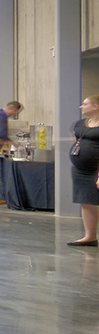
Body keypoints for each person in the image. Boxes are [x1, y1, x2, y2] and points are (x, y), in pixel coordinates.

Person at [68, 97, 99, 246]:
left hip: (96, 170)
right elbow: (75, 140)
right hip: (81, 170)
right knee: (86, 202)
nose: (81, 107)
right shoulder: (80, 124)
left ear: (96, 106)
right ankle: (90, 236)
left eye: (85, 104)